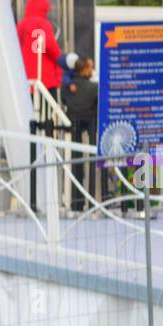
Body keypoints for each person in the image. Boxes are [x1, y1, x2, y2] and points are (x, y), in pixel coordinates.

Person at [62, 55, 98, 211]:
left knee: (75, 163)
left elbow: (64, 100)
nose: (92, 70)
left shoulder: (66, 86)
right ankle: (92, 202)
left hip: (73, 126)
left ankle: (76, 203)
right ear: (84, 69)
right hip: (91, 126)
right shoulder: (93, 88)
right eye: (90, 67)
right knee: (93, 161)